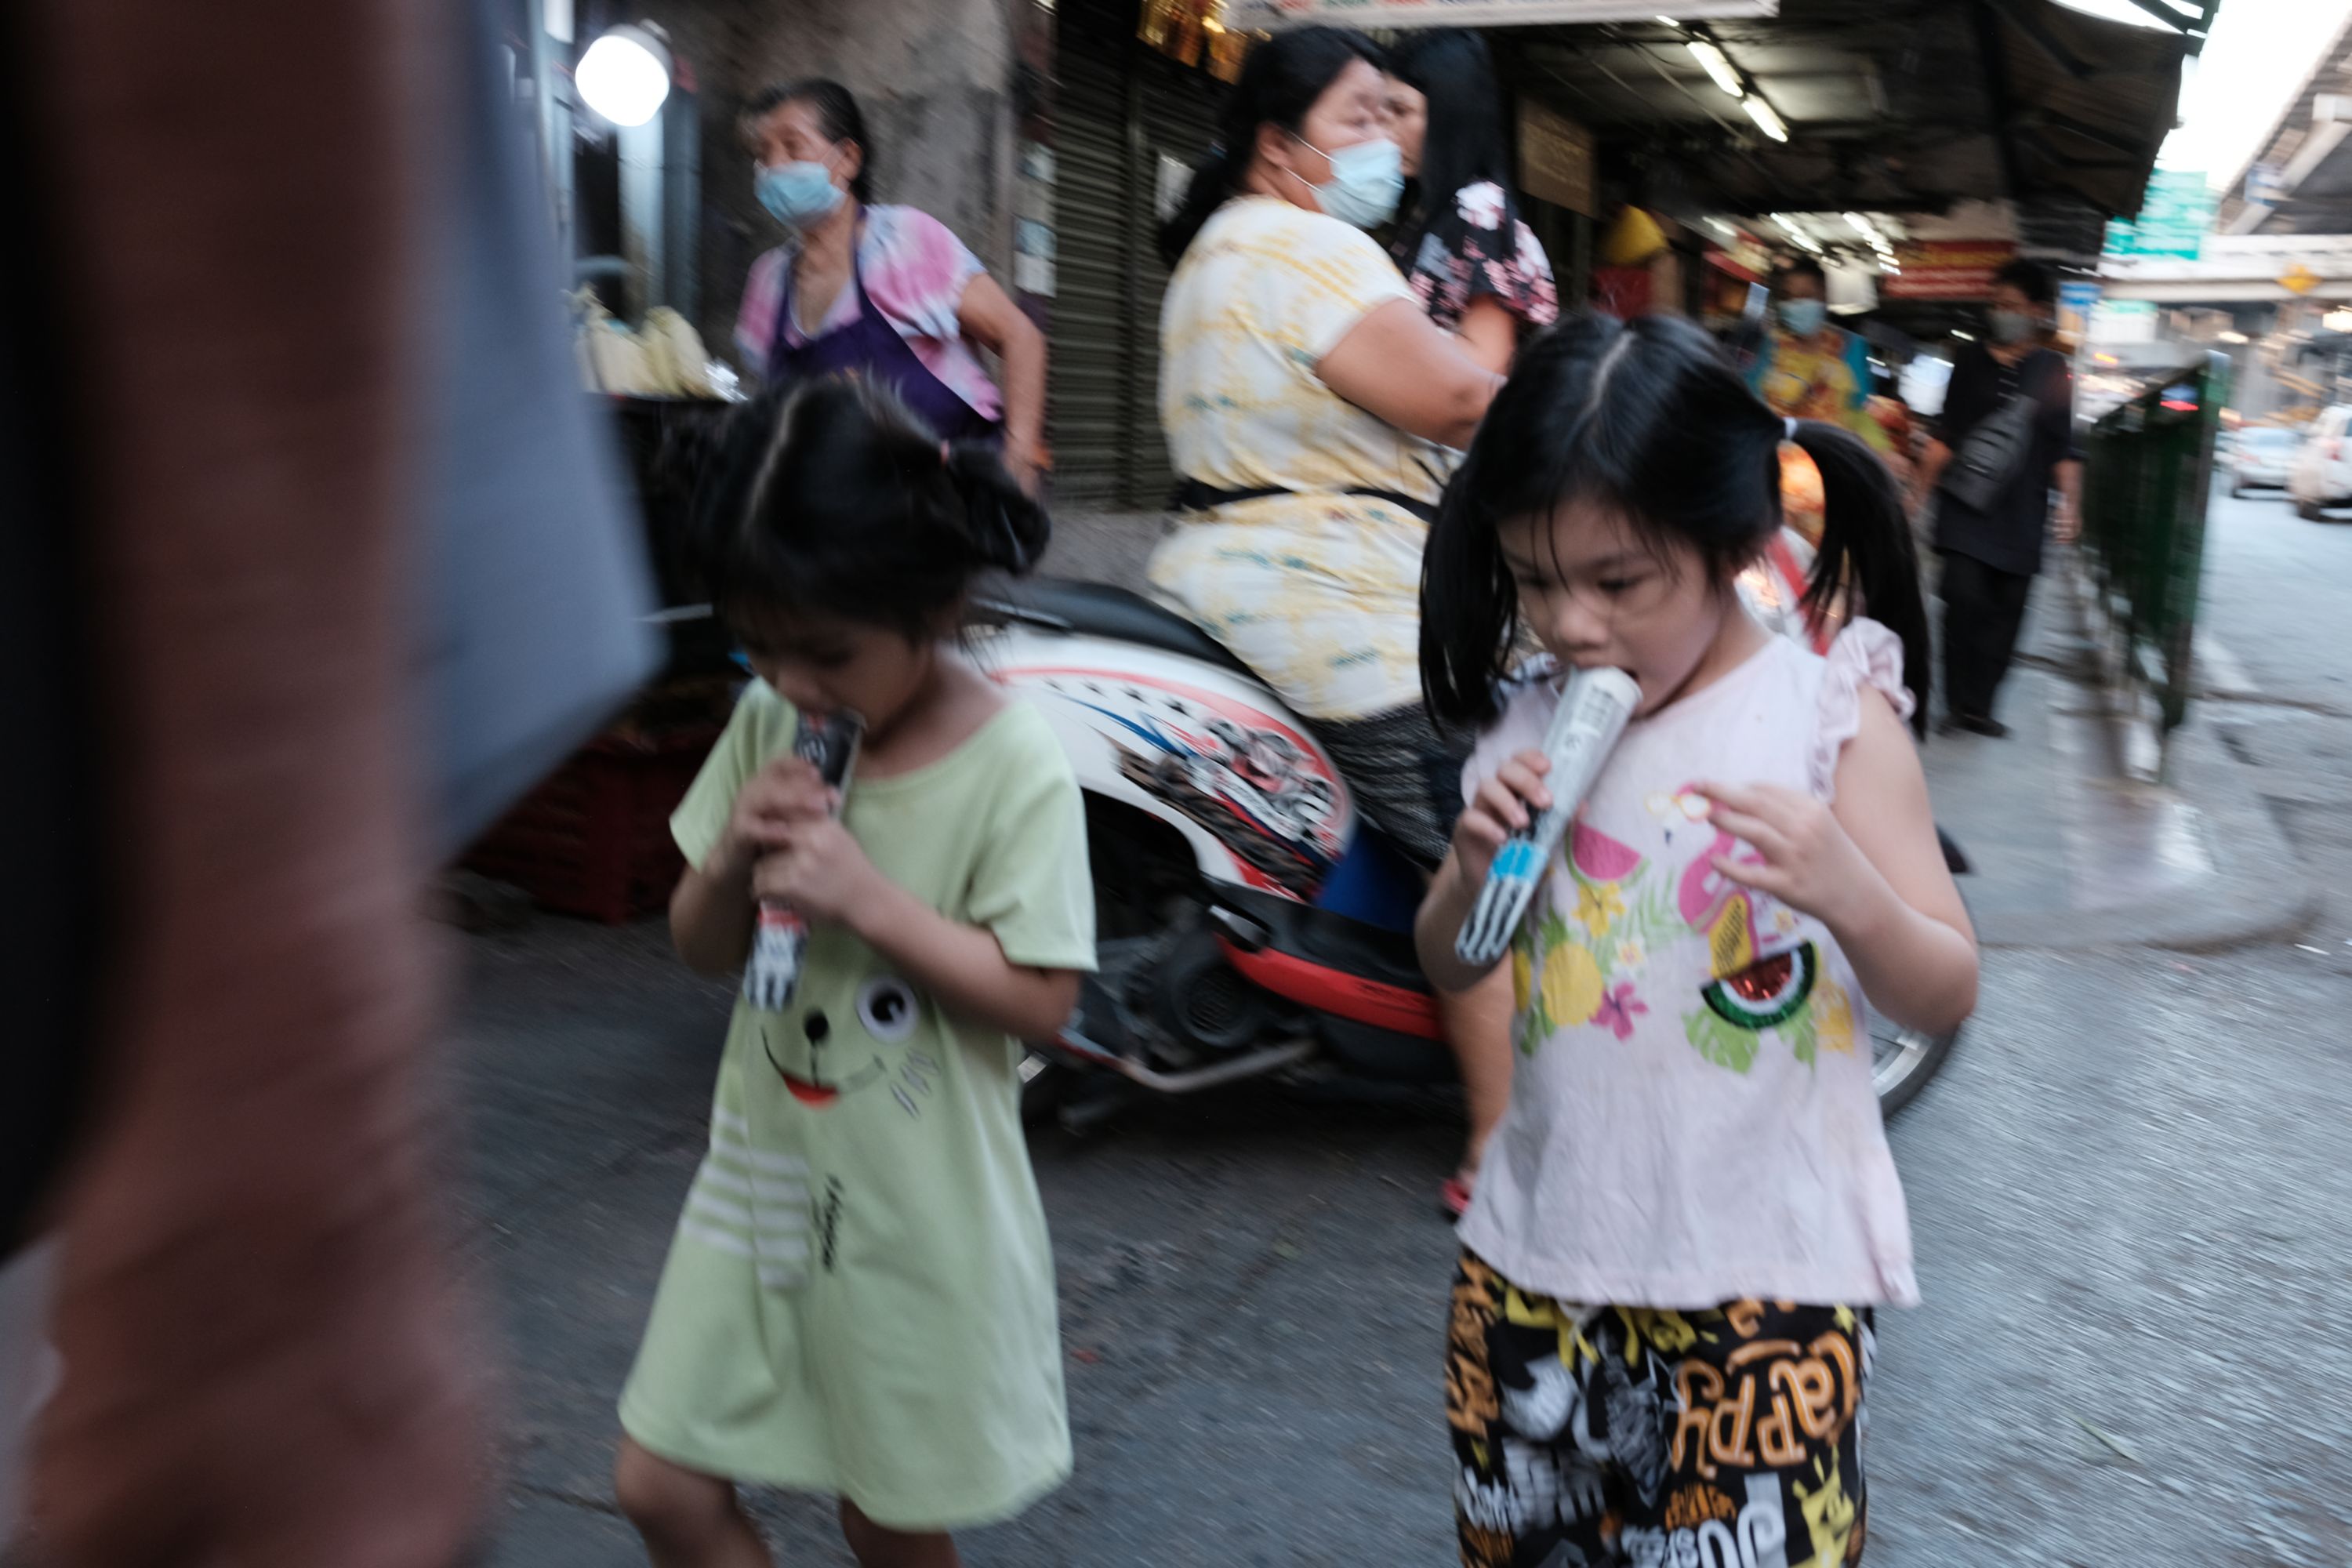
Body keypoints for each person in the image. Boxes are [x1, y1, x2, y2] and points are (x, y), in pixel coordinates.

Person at [1416, 314, 1979, 1567]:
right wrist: (1466, 878)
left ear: (1733, 545)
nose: (1571, 625)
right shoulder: (1528, 725)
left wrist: (1852, 893)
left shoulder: (1828, 718)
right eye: (1535, 579)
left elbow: (1945, 987)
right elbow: (1452, 963)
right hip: (1536, 1261)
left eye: (1617, 583)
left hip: (1761, 1285)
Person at [612, 376, 1093, 1568]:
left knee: (884, 1511)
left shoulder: (1011, 763)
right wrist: (733, 853)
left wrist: (869, 900)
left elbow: (1046, 1000)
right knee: (659, 1483)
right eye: (759, 649)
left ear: (932, 604)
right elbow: (698, 942)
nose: (794, 688)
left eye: (826, 653)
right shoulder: (769, 721)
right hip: (761, 1181)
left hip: (914, 1207)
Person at [1148, 25, 1512, 1217]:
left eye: (1390, 116)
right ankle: (1504, 1147)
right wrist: (1586, 416)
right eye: (1357, 117)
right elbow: (1459, 394)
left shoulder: (1217, 248)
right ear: (1280, 144)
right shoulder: (1310, 246)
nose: (1383, 143)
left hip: (1230, 580)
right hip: (1335, 609)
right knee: (1486, 851)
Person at [735, 80, 1048, 492]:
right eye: (764, 155)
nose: (774, 166)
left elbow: (1019, 337)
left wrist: (1019, 457)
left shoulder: (905, 241)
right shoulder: (768, 281)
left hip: (952, 509)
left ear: (846, 159)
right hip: (839, 522)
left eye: (793, 148)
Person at [1918, 258, 2081, 737]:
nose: (2001, 313)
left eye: (2011, 306)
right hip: (1966, 505)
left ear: (2037, 311)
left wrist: (2071, 504)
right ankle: (1954, 702)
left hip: (2023, 511)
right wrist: (1918, 492)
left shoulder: (2053, 368)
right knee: (1963, 597)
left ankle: (1980, 707)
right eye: (1997, 304)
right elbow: (1946, 432)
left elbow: (2062, 446)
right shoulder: (1968, 360)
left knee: (2007, 613)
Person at [1384, 30, 1559, 373]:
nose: (1385, 128)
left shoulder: (1479, 207)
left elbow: (1485, 360)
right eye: (1381, 111)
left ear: (1450, 112)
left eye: (1401, 111)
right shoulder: (1427, 206)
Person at [1748, 257, 1889, 453]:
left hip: (1829, 462)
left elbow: (1858, 413)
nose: (1795, 304)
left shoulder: (1849, 348)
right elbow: (1749, 402)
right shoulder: (1771, 346)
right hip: (1773, 460)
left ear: (1823, 298)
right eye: (1788, 297)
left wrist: (1885, 452)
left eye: (1805, 295)